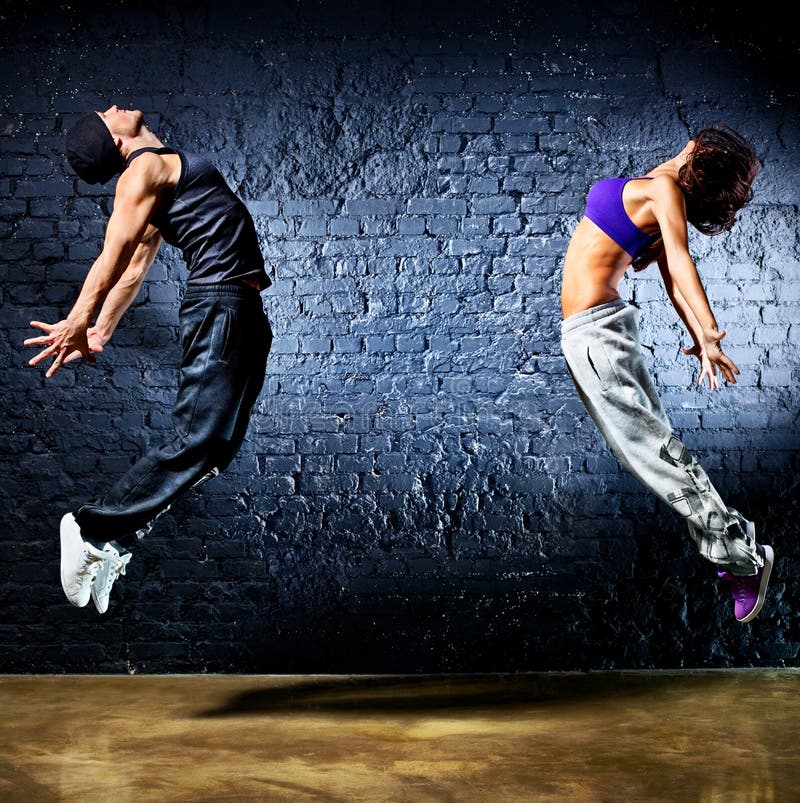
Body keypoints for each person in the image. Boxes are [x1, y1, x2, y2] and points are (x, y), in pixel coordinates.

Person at [25, 105, 272, 614]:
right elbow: (112, 254)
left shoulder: (162, 169)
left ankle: (116, 541)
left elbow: (136, 266)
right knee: (196, 439)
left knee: (216, 450)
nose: (114, 107)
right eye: (105, 114)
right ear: (114, 140)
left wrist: (101, 330)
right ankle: (91, 528)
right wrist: (77, 319)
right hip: (220, 305)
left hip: (242, 308)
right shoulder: (140, 172)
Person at [559, 122, 774, 623]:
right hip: (590, 336)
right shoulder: (658, 196)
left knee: (652, 455)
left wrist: (710, 330)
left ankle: (740, 556)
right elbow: (671, 281)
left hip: (597, 335)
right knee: (648, 451)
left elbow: (680, 263)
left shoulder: (662, 188)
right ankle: (734, 540)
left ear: (700, 154)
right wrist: (698, 337)